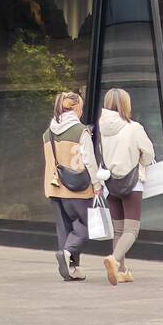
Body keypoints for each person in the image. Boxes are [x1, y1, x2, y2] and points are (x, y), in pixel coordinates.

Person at [43, 90, 107, 282]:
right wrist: (97, 183)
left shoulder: (47, 134)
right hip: (78, 187)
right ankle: (68, 252)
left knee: (64, 229)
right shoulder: (81, 131)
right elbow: (89, 160)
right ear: (76, 107)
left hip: (54, 187)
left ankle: (72, 269)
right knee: (86, 225)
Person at [96, 88, 156, 286]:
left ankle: (121, 271)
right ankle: (114, 260)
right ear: (125, 104)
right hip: (132, 182)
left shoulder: (102, 127)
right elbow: (148, 153)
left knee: (119, 230)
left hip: (110, 183)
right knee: (132, 230)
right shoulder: (134, 128)